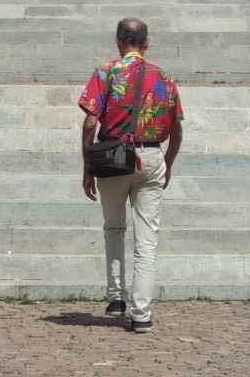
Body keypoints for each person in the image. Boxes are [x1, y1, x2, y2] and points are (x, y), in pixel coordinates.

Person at [80, 18, 184, 334]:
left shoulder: (106, 72)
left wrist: (87, 165)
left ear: (118, 41)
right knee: (147, 239)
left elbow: (90, 122)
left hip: (113, 157)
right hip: (151, 156)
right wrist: (168, 162)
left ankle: (116, 298)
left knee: (114, 227)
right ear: (147, 43)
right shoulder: (164, 78)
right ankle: (142, 314)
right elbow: (177, 127)